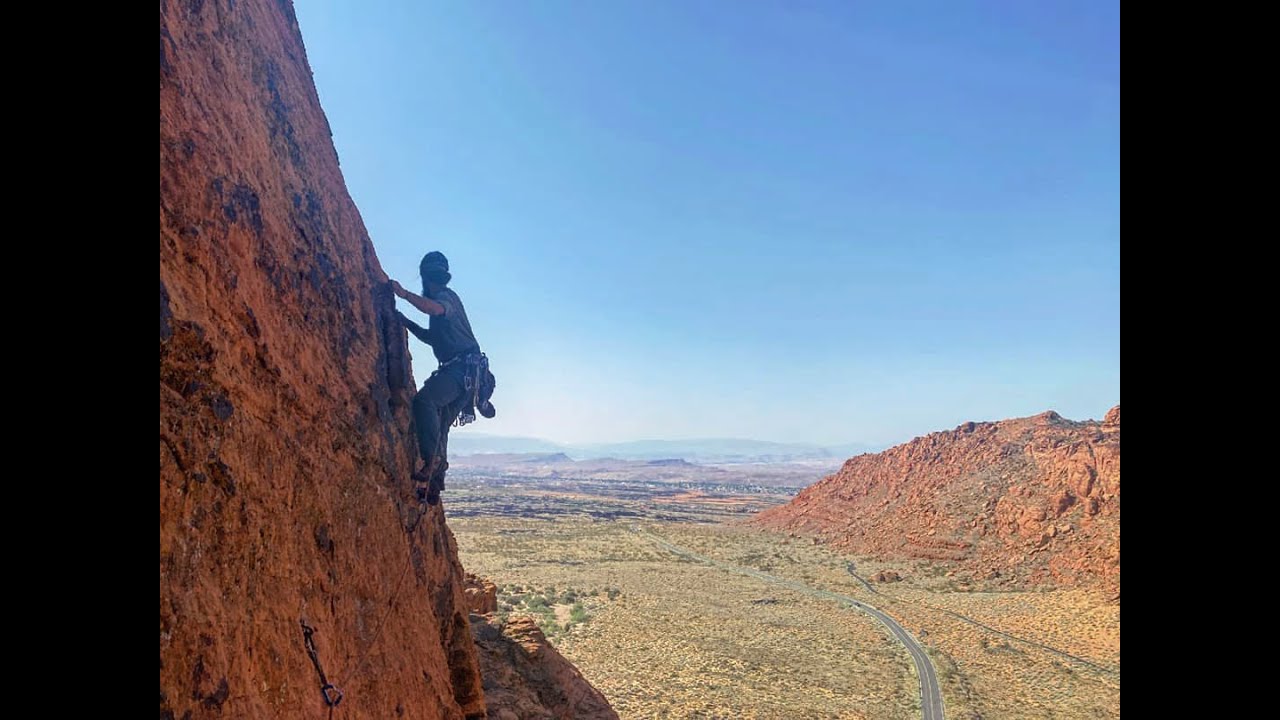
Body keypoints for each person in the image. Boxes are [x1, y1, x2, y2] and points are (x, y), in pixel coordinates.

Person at [390, 251, 488, 505]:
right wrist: (405, 322)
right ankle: (433, 487)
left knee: (425, 402)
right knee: (440, 424)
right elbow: (432, 338)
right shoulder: (442, 306)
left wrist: (403, 294)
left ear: (425, 278)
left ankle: (433, 464)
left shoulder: (445, 298)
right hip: (465, 375)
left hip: (460, 370)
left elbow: (435, 309)